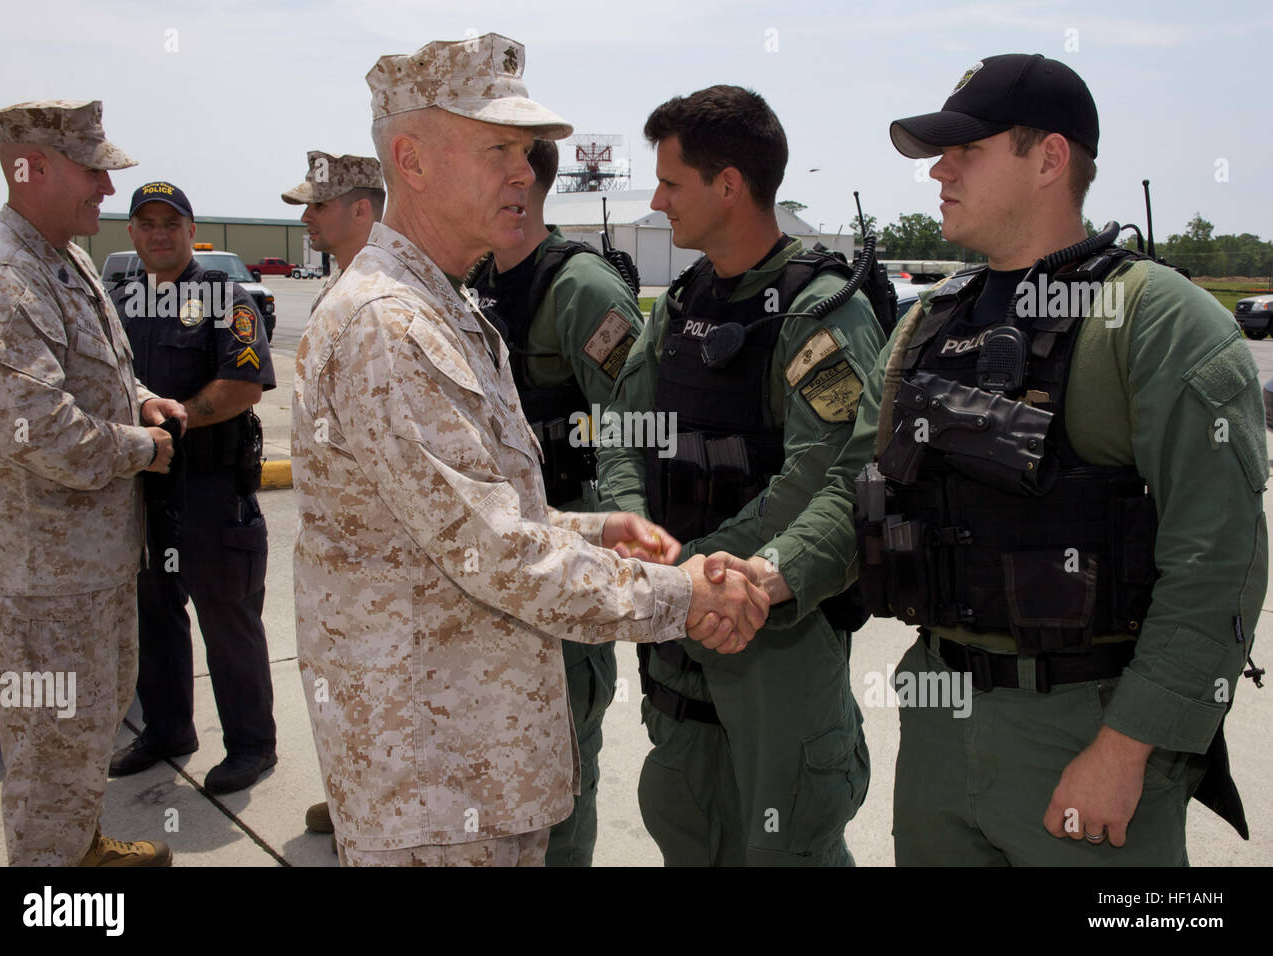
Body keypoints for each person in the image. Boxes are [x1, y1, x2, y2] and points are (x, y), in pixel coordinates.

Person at [750, 54, 1268, 865]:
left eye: (967, 150)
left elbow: (1218, 561)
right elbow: (860, 489)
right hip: (939, 721)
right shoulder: (929, 322)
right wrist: (773, 574)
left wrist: (1126, 748)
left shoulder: (1161, 323)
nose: (938, 171)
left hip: (1085, 731)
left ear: (1050, 159)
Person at [291, 33, 768, 867]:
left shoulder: (440, 307)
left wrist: (592, 531)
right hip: (434, 787)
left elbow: (476, 516)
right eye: (497, 148)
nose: (524, 171)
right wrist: (679, 595)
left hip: (470, 758)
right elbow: (496, 553)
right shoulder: (389, 325)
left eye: (527, 149)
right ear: (411, 160)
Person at [595, 85, 881, 866]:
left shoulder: (819, 314)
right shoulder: (680, 303)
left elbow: (821, 479)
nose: (655, 202)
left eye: (671, 182)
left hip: (769, 635)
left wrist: (690, 574)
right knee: (687, 823)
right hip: (682, 641)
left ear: (728, 186)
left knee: (787, 845)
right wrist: (637, 537)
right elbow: (622, 427)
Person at [0, 100, 185, 866]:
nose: (105, 186)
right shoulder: (6, 281)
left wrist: (142, 401)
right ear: (35, 168)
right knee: (47, 752)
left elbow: (92, 379)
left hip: (91, 562)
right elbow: (41, 432)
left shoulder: (64, 259)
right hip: (49, 575)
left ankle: (80, 846)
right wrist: (144, 446)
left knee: (86, 727)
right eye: (93, 168)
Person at [463, 138, 643, 866]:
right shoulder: (475, 280)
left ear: (522, 181)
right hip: (494, 559)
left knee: (560, 766)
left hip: (563, 554)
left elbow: (635, 425)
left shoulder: (581, 289)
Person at [108, 182, 278, 794]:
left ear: (190, 229)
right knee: (153, 614)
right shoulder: (117, 302)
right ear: (130, 232)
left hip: (209, 488)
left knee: (228, 619)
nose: (159, 233)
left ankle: (253, 745)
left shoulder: (224, 297)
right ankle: (167, 729)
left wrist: (169, 415)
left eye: (170, 223)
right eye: (146, 223)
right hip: (143, 489)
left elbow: (244, 386)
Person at [281, 151, 385, 837]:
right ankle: (351, 797)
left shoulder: (381, 301)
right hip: (336, 552)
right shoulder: (339, 290)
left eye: (319, 206)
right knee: (345, 693)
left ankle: (373, 815)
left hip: (375, 556)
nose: (308, 219)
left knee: (381, 694)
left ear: (362, 209)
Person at [281, 150, 384, 313]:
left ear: (359, 210)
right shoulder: (341, 278)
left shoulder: (386, 294)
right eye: (308, 206)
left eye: (320, 205)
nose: (305, 217)